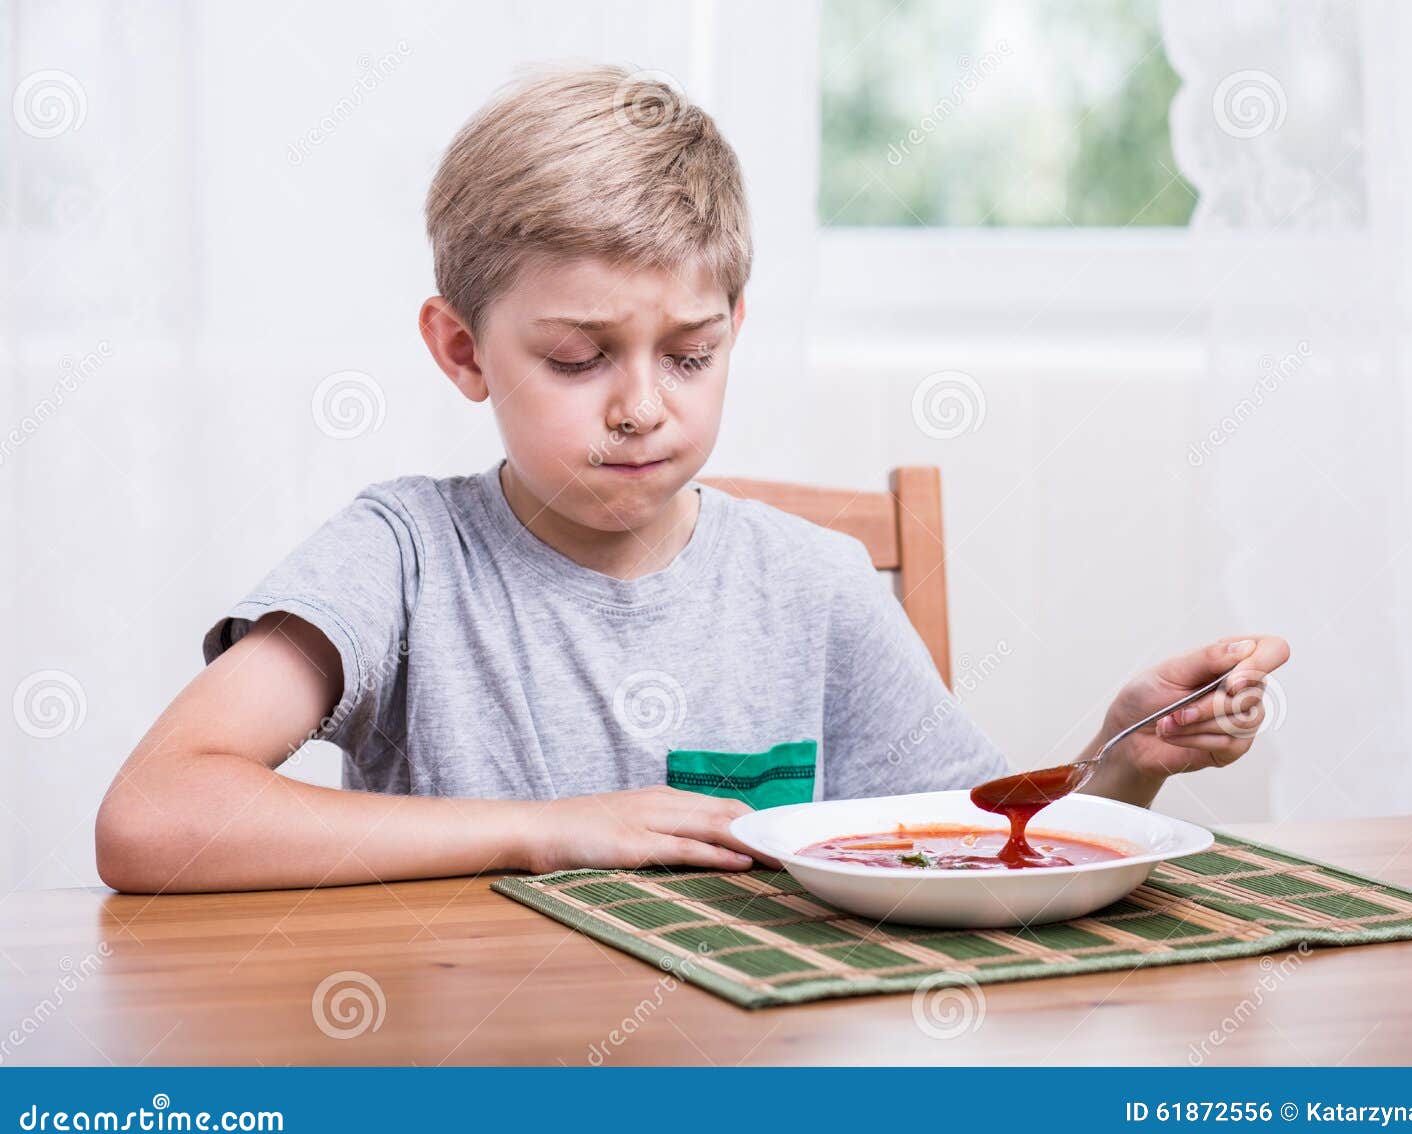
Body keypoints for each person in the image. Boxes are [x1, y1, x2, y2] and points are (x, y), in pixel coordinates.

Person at [95, 66, 1289, 893]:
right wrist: (545, 832)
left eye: (690, 353)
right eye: (577, 356)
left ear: (733, 328)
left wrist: (1126, 752)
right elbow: (154, 817)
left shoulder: (812, 582)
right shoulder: (403, 556)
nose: (640, 403)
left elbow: (977, 842)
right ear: (462, 350)